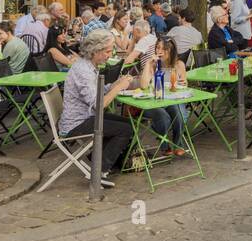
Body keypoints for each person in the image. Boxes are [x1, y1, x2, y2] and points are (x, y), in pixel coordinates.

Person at [58, 28, 138, 184]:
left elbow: (97, 93)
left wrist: (115, 83)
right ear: (95, 50)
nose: (110, 55)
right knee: (125, 129)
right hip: (77, 123)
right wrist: (118, 88)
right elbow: (98, 105)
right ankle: (99, 171)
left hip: (84, 117)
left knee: (127, 123)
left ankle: (101, 158)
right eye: (107, 51)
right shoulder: (83, 71)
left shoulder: (88, 66)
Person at [140, 37, 190, 156]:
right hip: (155, 101)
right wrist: (148, 64)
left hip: (173, 99)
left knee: (179, 113)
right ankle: (164, 143)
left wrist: (182, 84)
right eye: (157, 48)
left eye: (164, 49)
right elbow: (143, 85)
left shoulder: (179, 65)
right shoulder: (153, 65)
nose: (160, 51)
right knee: (163, 117)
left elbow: (185, 84)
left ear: (171, 50)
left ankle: (178, 142)